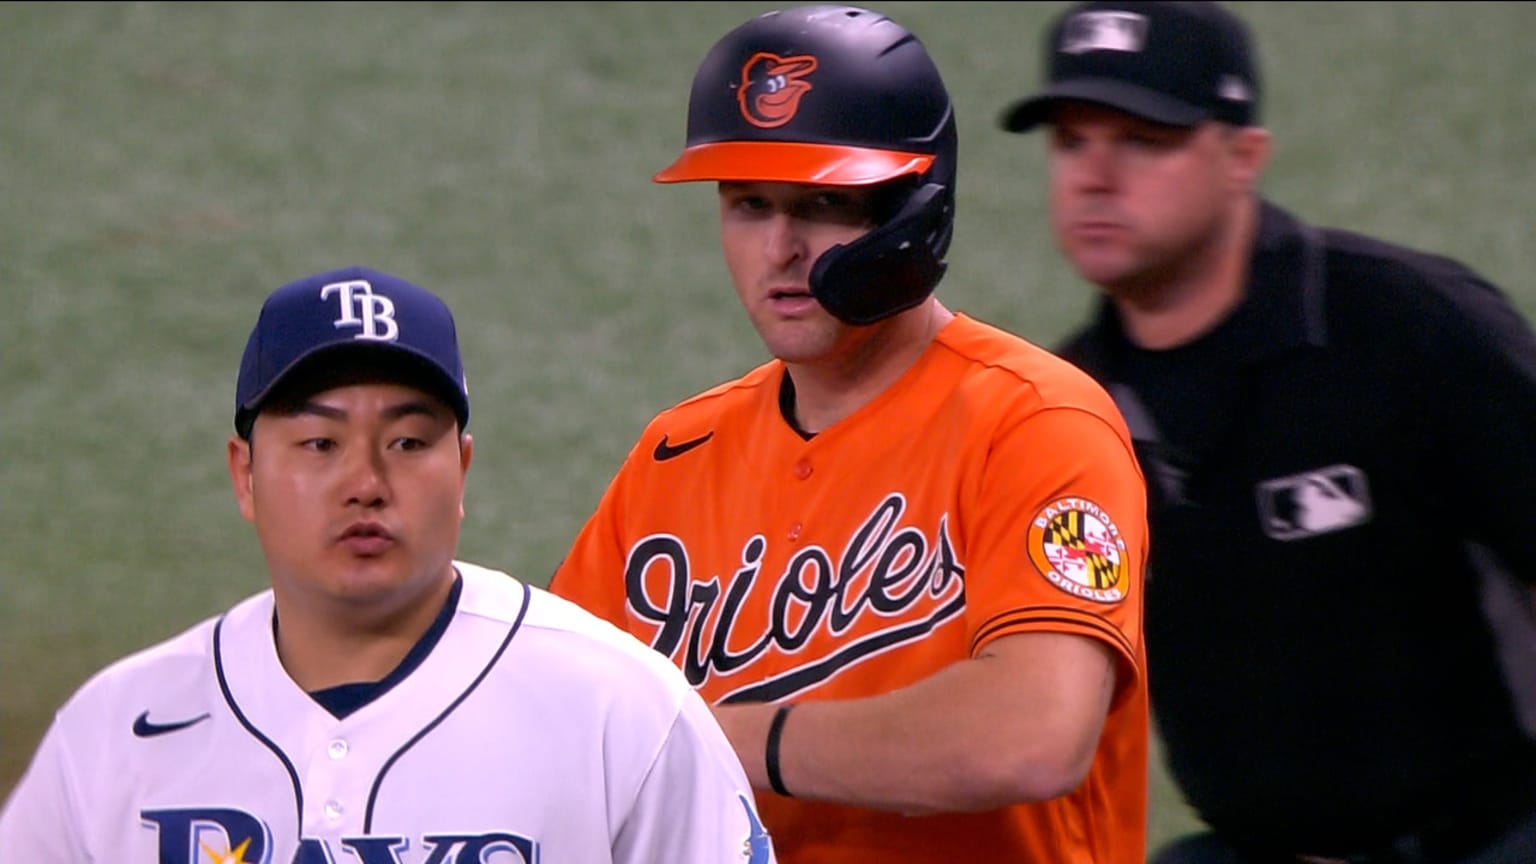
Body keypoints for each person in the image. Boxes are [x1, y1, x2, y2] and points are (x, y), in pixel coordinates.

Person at [547, 5, 1151, 862]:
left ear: (920, 214)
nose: (781, 249)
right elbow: (558, 729)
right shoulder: (677, 455)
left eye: (825, 204)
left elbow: (1033, 734)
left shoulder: (1038, 425)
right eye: (749, 204)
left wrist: (715, 740)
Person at [0, 265, 775, 864]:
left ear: (462, 468)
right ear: (244, 474)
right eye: (319, 444)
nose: (366, 484)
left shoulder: (620, 708)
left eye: (408, 442)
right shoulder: (118, 730)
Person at [997, 2, 1536, 862]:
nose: (1095, 176)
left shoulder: (1410, 328)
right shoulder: (1063, 416)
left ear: (1243, 155)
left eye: (1142, 138)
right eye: (1070, 142)